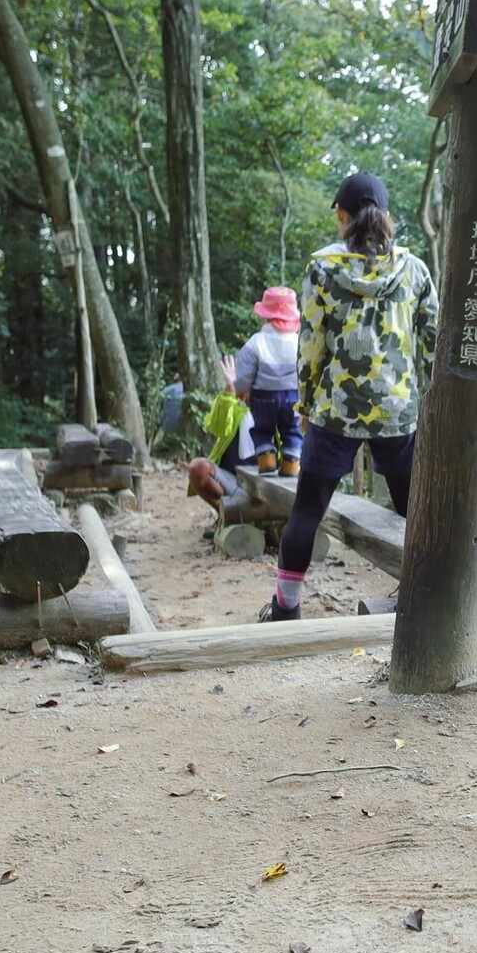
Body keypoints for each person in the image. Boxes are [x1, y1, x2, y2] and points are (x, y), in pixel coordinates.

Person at [258, 171, 438, 622]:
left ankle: (286, 607)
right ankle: (431, 598)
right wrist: (426, 399)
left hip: (336, 409)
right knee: (413, 507)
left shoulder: (322, 269)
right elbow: (434, 339)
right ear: (387, 217)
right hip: (398, 411)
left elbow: (311, 344)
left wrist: (303, 404)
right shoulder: (414, 270)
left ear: (341, 216)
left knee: (308, 508)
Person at [231, 285, 302, 476]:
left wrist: (242, 389)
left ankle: (267, 461)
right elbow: (306, 370)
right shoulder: (299, 342)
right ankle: (291, 464)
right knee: (292, 429)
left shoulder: (256, 341)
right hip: (294, 396)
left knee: (262, 429)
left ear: (265, 315)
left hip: (263, 396)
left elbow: (245, 372)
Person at [186, 355, 255, 513]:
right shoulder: (232, 404)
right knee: (198, 468)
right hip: (232, 481)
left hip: (267, 485)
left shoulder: (279, 405)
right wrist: (230, 388)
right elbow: (217, 427)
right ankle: (225, 514)